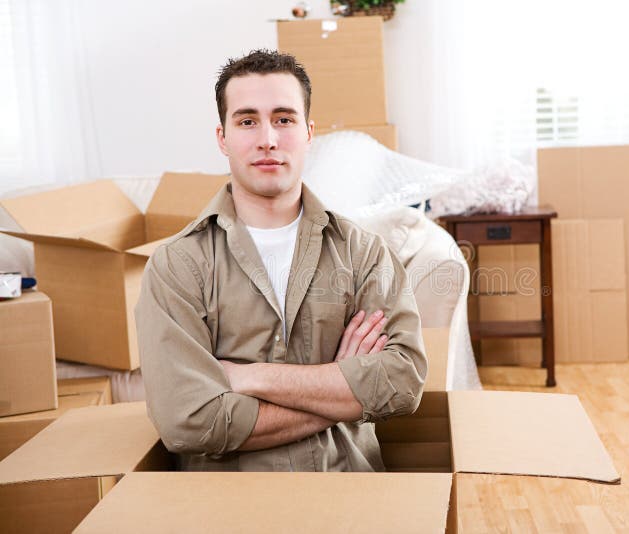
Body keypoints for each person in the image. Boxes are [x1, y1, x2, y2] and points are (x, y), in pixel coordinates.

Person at [135, 49, 427, 471]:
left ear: (309, 133)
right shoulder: (176, 266)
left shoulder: (362, 252)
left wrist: (251, 377)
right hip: (227, 507)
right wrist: (341, 385)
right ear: (223, 137)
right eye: (248, 120)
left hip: (348, 489)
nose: (267, 139)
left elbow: (403, 382)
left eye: (284, 119)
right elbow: (188, 422)